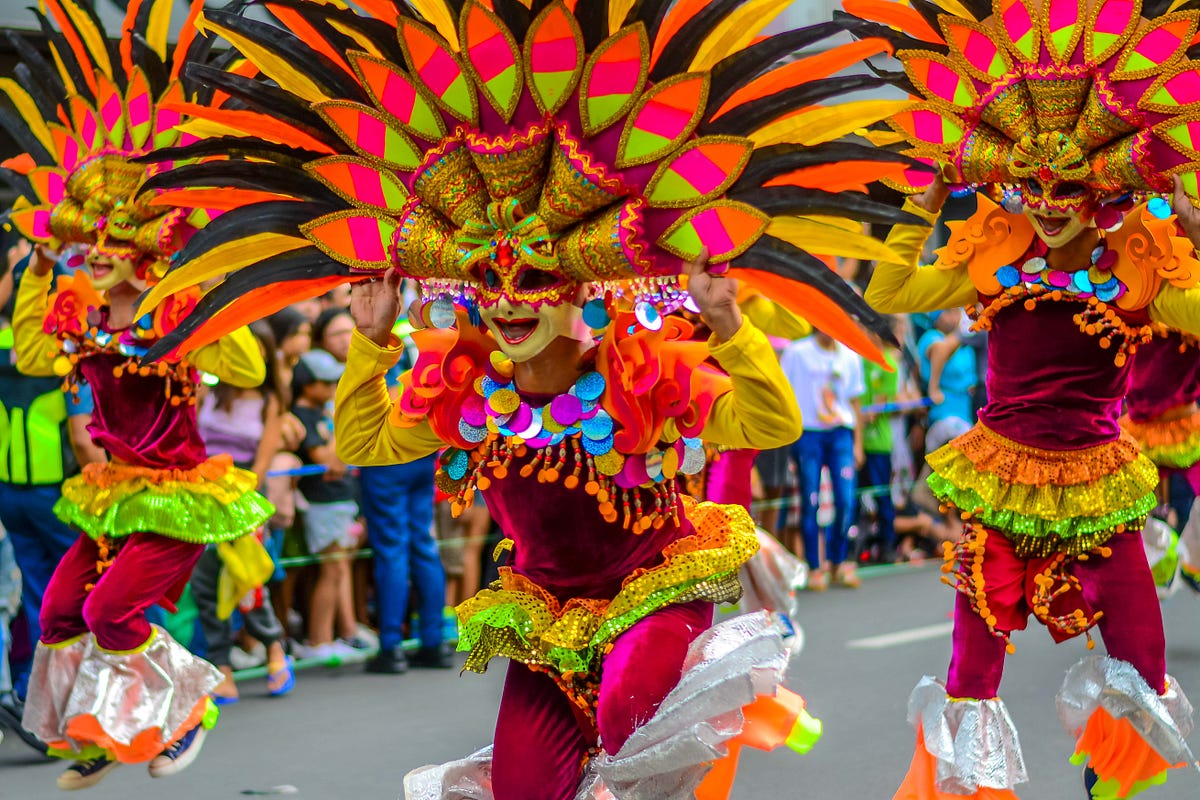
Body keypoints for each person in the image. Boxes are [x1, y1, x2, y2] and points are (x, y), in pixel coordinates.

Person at [133, 1, 927, 796]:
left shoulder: (639, 367)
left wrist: (727, 325)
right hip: (543, 614)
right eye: (487, 280)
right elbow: (369, 445)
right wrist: (371, 344)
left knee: (628, 722)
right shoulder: (467, 387)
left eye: (535, 280)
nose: (508, 300)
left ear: (580, 286)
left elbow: (769, 422)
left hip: (654, 591)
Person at [845, 0, 1200, 795]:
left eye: (1065, 181)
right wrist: (926, 204)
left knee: (1141, 655)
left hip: (1099, 484)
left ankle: (1112, 783)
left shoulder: (1139, 268)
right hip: (1001, 481)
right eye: (1029, 182)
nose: (1044, 198)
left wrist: (1194, 226)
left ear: (1104, 182)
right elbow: (891, 285)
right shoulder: (993, 255)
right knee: (972, 666)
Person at [2, 6, 273, 788]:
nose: (96, 255)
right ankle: (97, 732)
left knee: (107, 615)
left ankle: (185, 714)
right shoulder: (80, 314)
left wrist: (202, 284)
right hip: (112, 494)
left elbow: (250, 369)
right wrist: (36, 270)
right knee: (58, 614)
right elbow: (28, 351)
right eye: (87, 244)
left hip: (181, 499)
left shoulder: (178, 312)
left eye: (111, 244)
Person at [192, 322, 295, 702]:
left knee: (247, 580)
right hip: (202, 499)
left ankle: (273, 648)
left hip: (243, 501)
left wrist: (237, 502)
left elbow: (262, 465)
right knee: (205, 584)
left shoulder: (270, 402)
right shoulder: (208, 393)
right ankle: (222, 666)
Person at [290, 349, 362, 661]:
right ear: (306, 384)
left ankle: (328, 638)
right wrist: (338, 424)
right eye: (325, 382)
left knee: (337, 570)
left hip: (339, 501)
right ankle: (318, 641)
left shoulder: (321, 413)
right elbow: (329, 461)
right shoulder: (302, 416)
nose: (332, 388)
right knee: (331, 571)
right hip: (322, 503)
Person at [780, 331, 866, 589]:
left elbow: (855, 402)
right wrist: (787, 442)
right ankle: (814, 567)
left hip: (840, 433)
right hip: (808, 434)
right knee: (810, 500)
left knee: (846, 500)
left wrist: (858, 444)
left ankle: (838, 562)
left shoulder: (849, 355)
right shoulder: (797, 352)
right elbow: (784, 395)